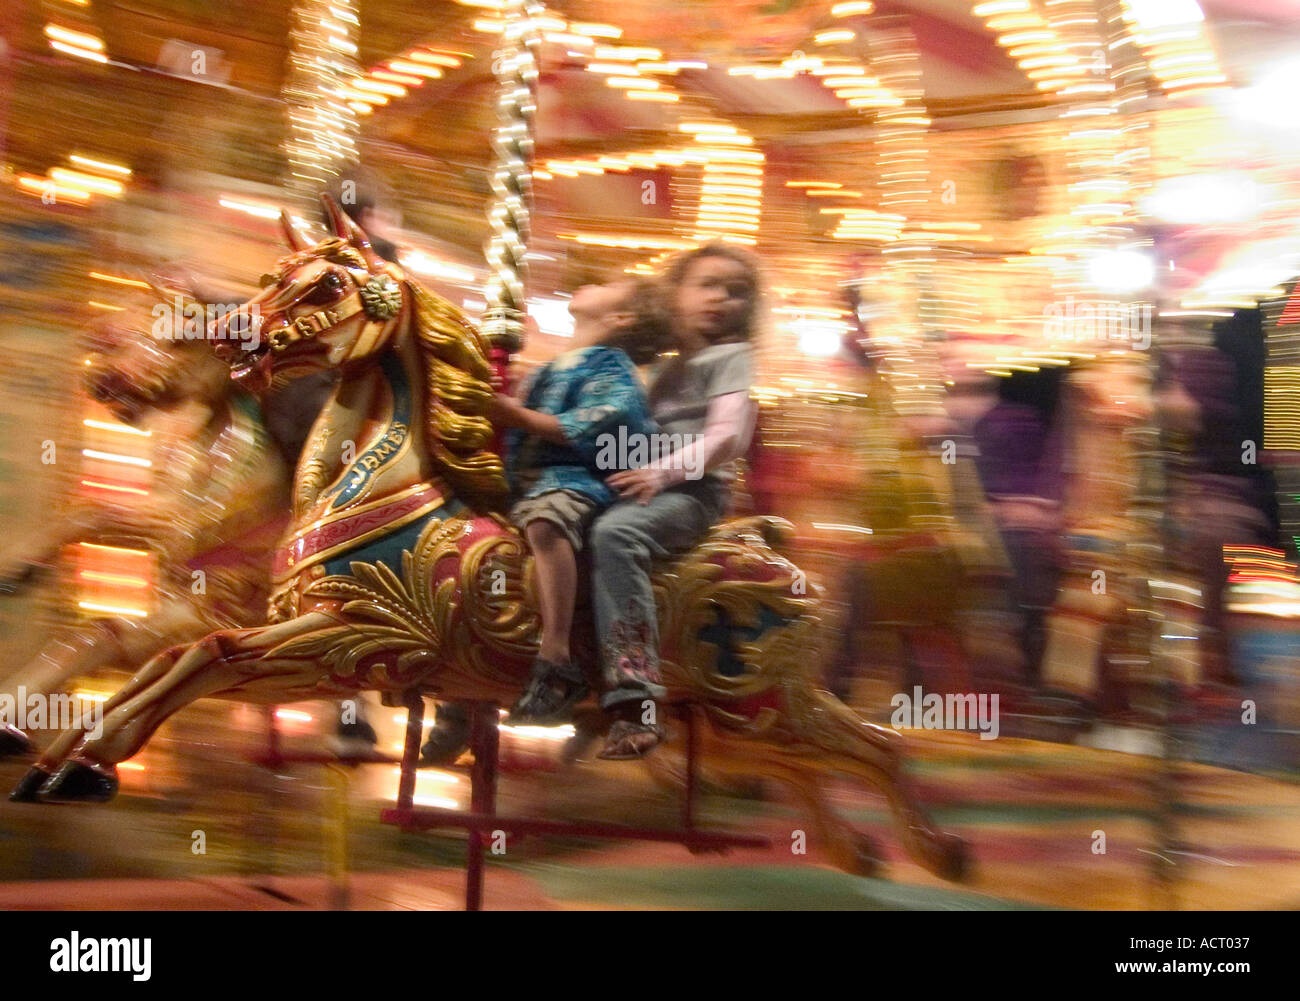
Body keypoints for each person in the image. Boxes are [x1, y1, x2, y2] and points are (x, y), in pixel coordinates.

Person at [585, 243, 761, 759]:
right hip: (647, 478)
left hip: (694, 491)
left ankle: (638, 700)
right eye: (707, 285)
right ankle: (573, 674)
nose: (721, 299)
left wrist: (660, 474)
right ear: (675, 294)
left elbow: (726, 437)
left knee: (616, 534)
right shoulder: (667, 364)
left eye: (736, 291)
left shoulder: (731, 357)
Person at [490, 278, 671, 725]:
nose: (592, 279)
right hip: (526, 478)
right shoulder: (553, 364)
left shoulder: (614, 368)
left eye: (614, 284)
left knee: (547, 524)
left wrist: (511, 413)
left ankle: (556, 654)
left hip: (577, 478)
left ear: (620, 318)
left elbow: (593, 423)